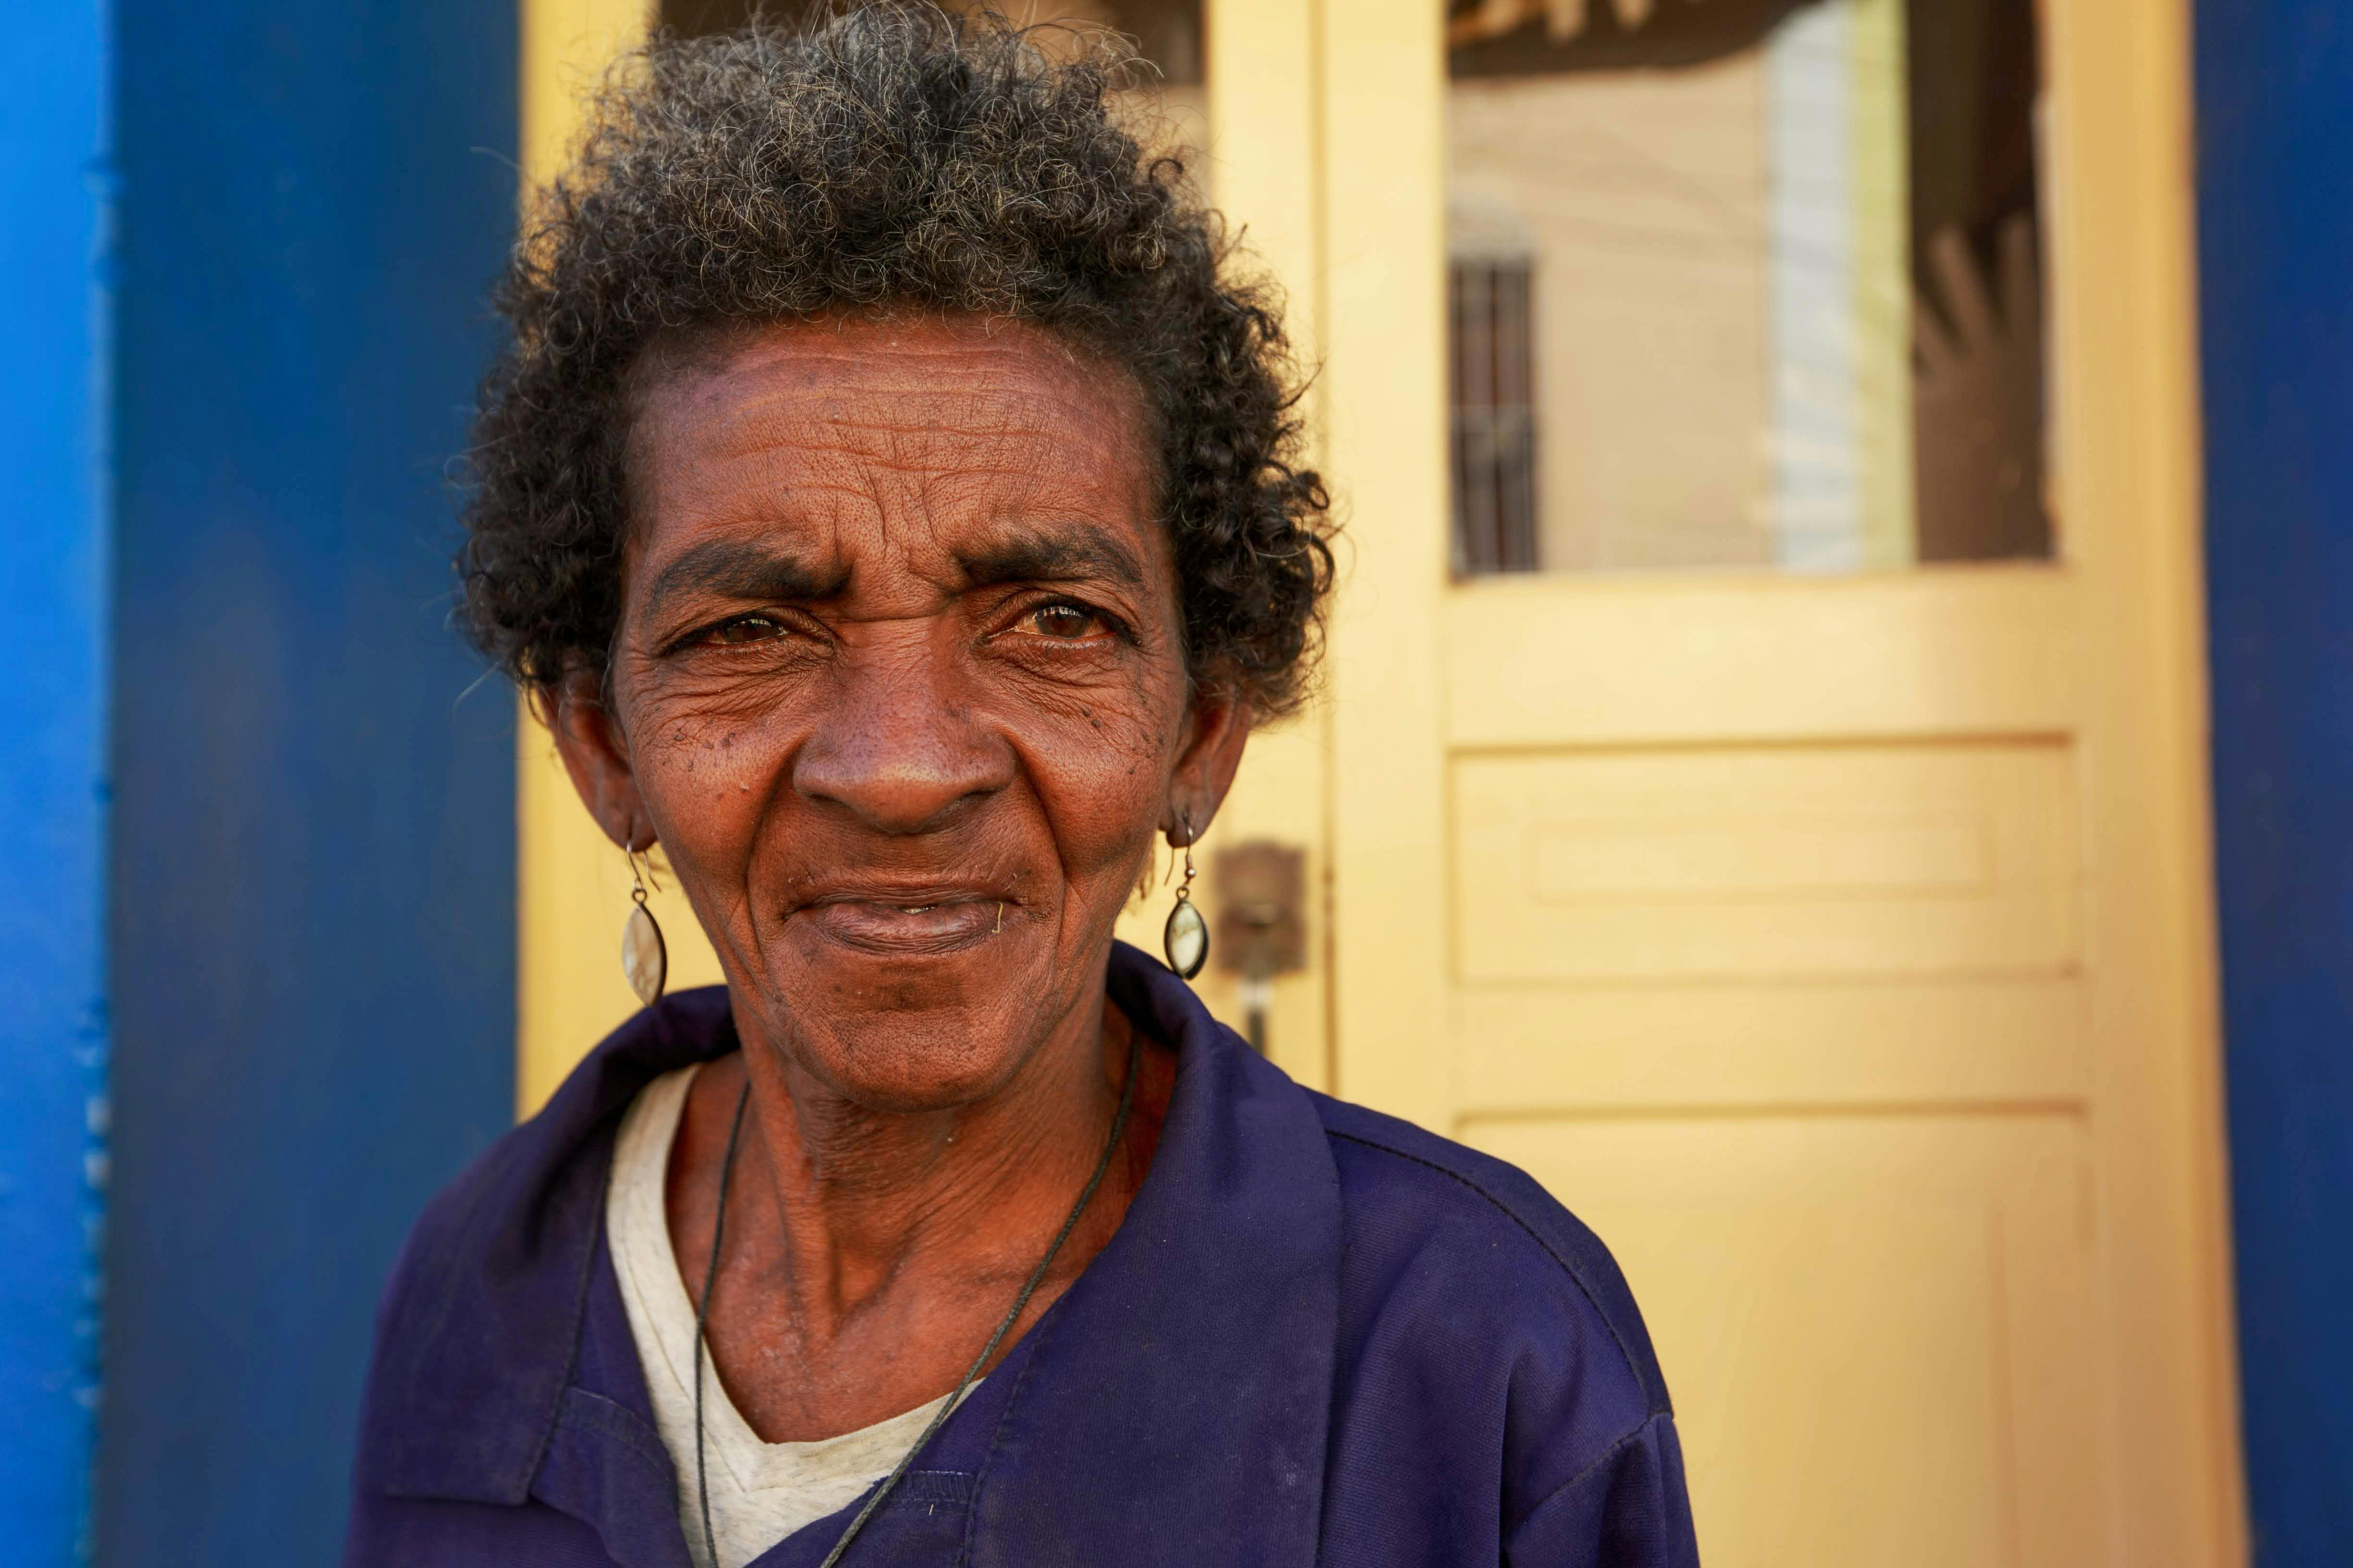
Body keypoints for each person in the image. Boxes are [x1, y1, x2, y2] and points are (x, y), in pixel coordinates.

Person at [344, 8, 1698, 1565]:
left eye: (1054, 621)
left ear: (1200, 729)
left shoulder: (1468, 1351)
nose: (906, 765)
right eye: (754, 629)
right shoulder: (488, 1278)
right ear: (602, 744)